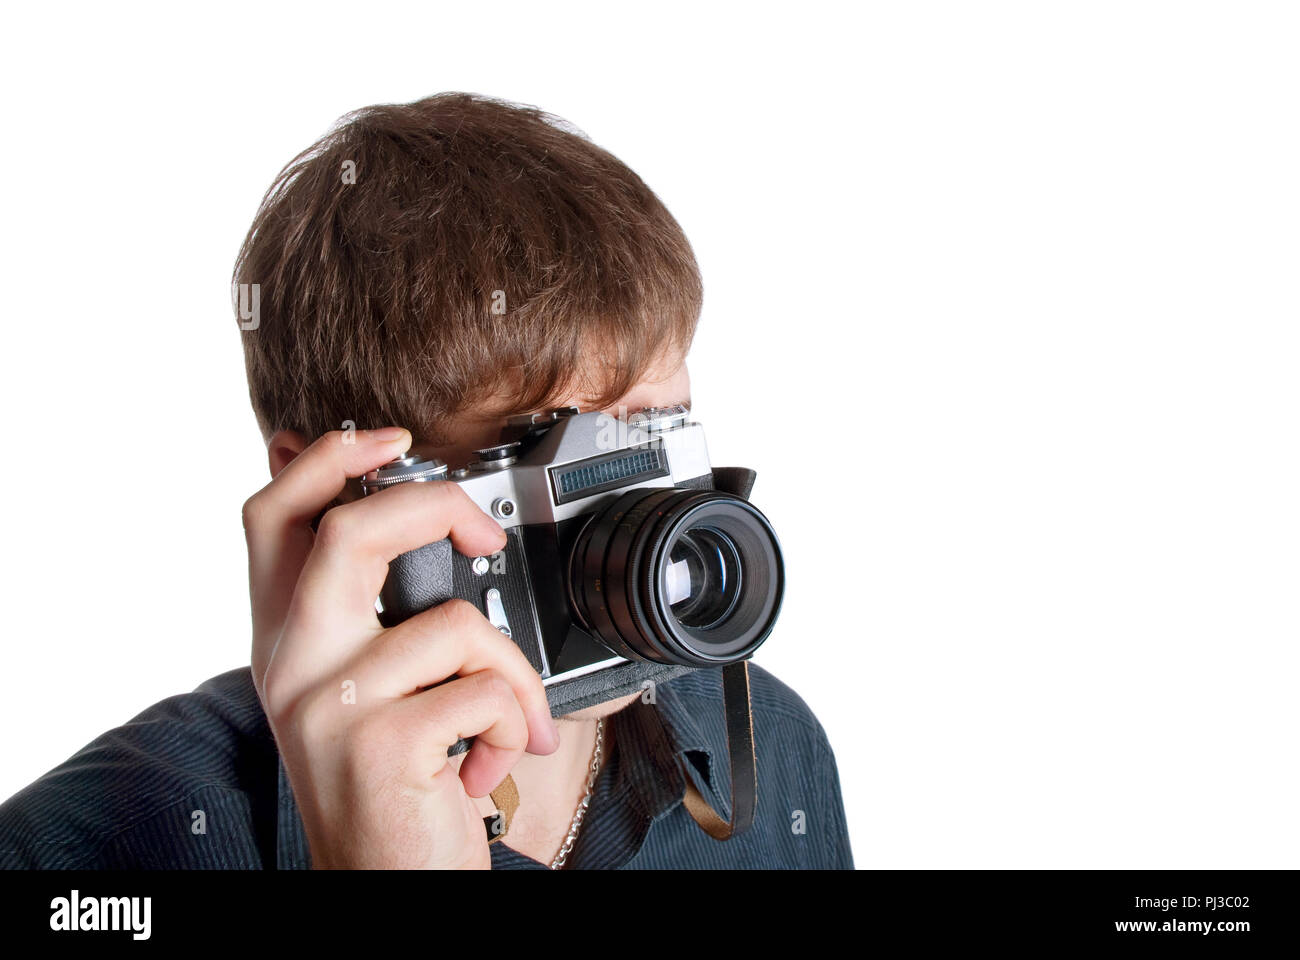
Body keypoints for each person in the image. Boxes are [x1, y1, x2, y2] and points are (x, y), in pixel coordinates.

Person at [0, 93, 853, 869]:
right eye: (554, 463)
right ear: (331, 494)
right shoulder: (85, 849)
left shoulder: (774, 750)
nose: (645, 536)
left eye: (658, 437)